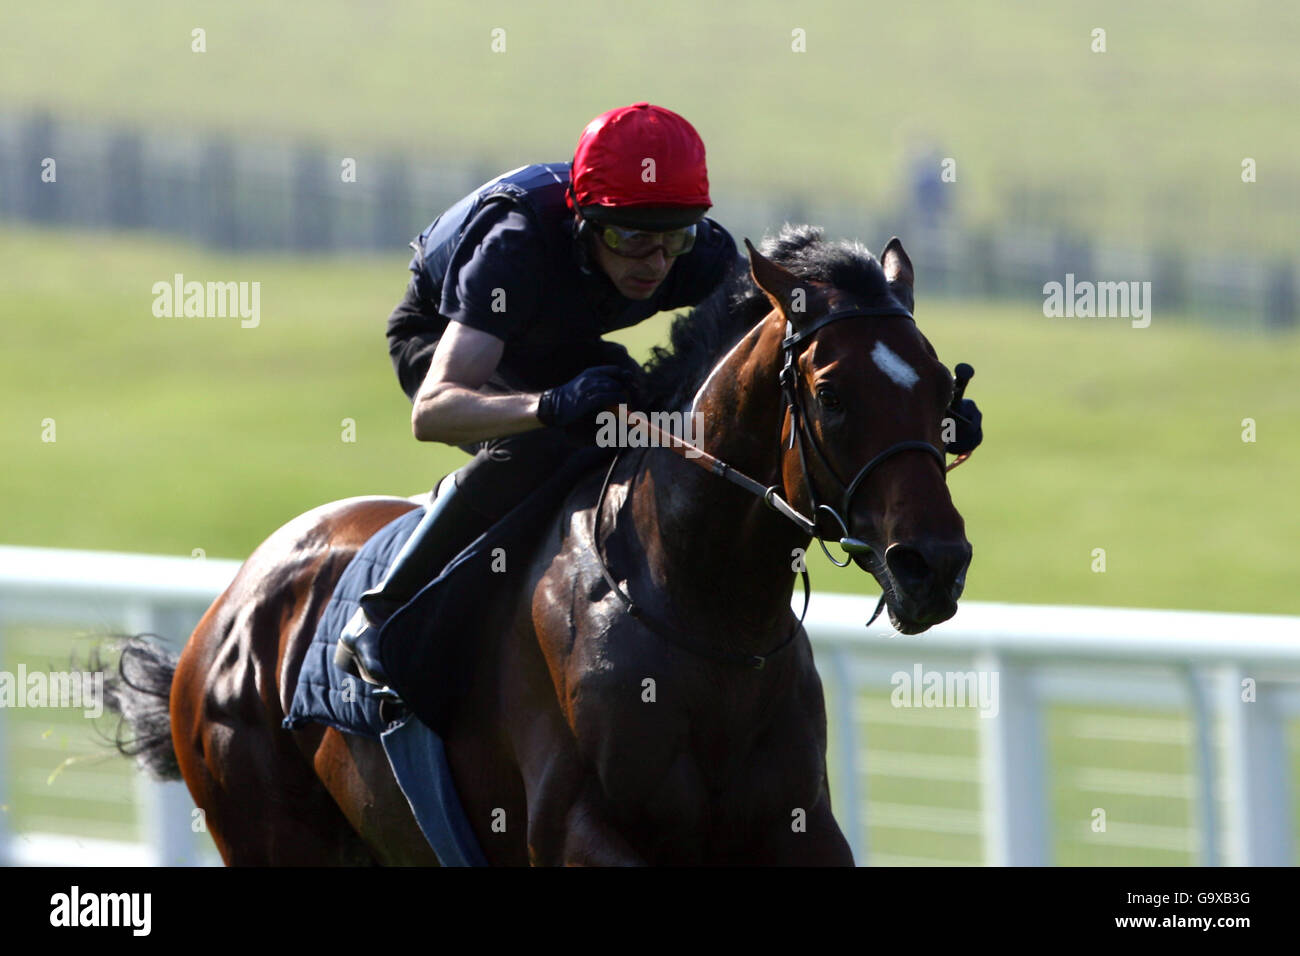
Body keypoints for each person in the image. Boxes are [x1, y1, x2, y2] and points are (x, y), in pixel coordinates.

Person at [336, 103, 739, 682]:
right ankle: (383, 612)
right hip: (446, 336)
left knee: (643, 418)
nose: (655, 263)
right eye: (629, 237)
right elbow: (434, 410)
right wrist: (548, 405)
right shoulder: (515, 248)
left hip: (557, 335)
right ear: (584, 222)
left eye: (673, 238)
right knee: (533, 444)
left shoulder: (696, 251)